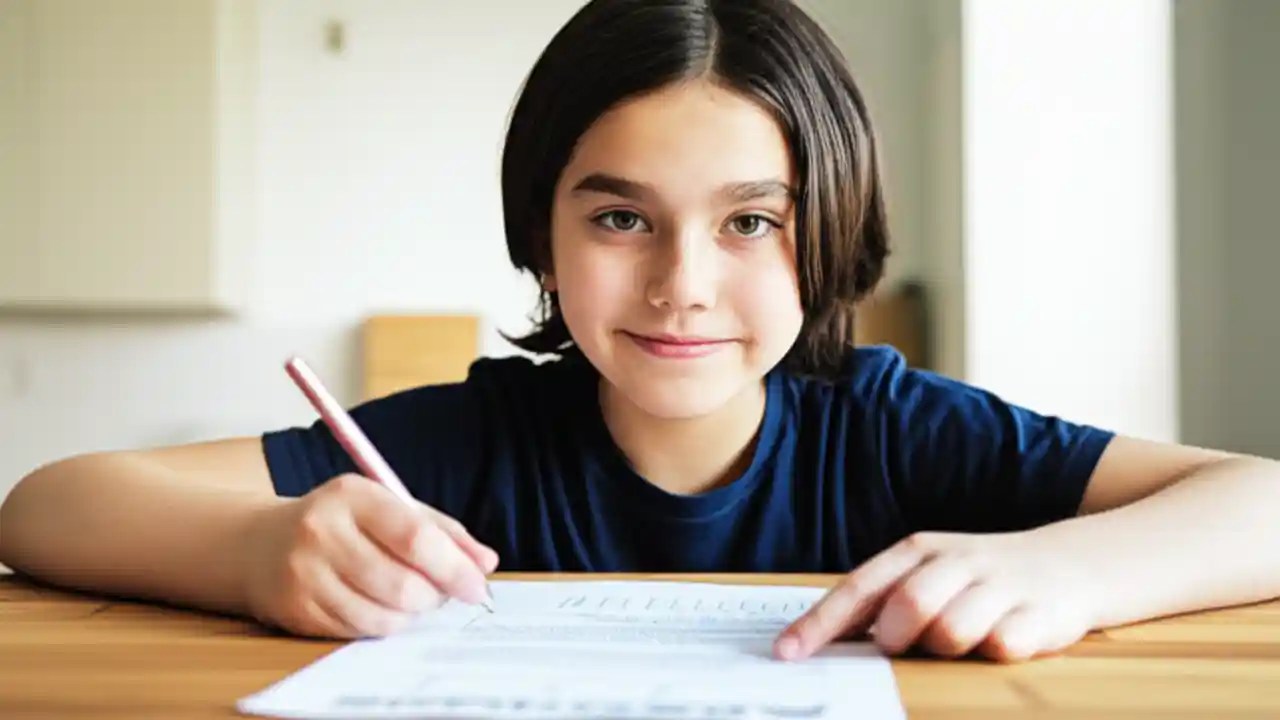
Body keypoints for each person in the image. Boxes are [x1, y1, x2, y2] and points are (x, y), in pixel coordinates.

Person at [3, 0, 1278, 664]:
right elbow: (46, 506)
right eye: (620, 218)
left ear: (828, 233)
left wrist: (1072, 573)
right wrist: (255, 549)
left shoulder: (895, 431)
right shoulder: (472, 441)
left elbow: (1258, 501)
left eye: (748, 223)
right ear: (541, 234)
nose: (680, 284)